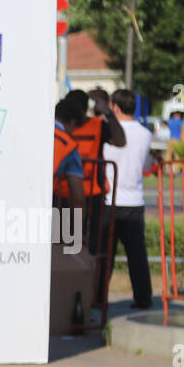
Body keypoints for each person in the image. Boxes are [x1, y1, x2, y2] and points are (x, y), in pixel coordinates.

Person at [102, 89, 153, 310]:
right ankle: (143, 297)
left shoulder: (109, 132)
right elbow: (144, 164)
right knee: (137, 255)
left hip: (109, 199)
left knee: (104, 256)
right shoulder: (146, 134)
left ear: (115, 107)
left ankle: (97, 299)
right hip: (135, 199)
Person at [65, 89, 125, 261]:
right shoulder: (60, 125)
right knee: (68, 248)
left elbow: (120, 141)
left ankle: (93, 286)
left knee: (94, 249)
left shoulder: (98, 125)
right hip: (65, 197)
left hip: (93, 197)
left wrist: (109, 114)